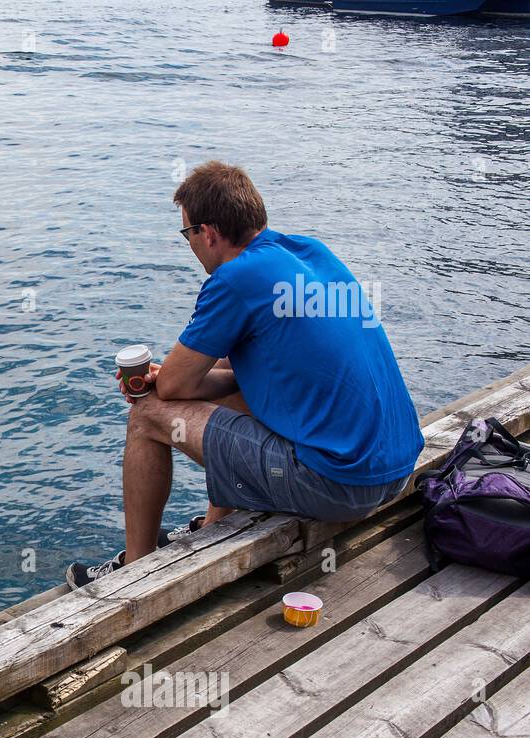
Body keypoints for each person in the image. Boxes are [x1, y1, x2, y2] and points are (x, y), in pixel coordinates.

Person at [67, 161, 423, 589]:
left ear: (209, 233)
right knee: (232, 395)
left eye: (187, 235)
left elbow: (176, 389)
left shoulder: (234, 278)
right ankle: (213, 525)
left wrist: (169, 382)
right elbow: (259, 370)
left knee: (147, 414)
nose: (190, 245)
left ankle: (135, 572)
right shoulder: (310, 253)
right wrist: (194, 377)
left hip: (340, 487)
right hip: (397, 469)